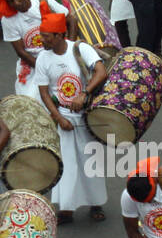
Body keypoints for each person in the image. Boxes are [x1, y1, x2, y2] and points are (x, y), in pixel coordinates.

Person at [34, 11, 107, 223]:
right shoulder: (43, 58)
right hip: (64, 116)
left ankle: (96, 203)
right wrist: (58, 118)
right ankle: (66, 208)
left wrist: (84, 94)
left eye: (46, 36)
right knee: (66, 163)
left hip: (88, 115)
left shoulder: (80, 49)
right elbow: (44, 92)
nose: (42, 40)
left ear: (59, 35)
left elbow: (101, 72)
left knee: (90, 160)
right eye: (41, 35)